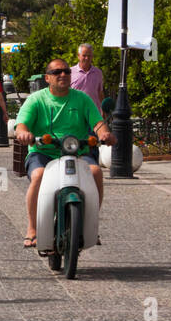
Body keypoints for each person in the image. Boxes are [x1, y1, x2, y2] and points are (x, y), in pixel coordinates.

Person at [15, 58, 114, 249]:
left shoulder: (82, 98)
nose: (63, 75)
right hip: (43, 152)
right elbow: (22, 124)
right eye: (57, 72)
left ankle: (90, 226)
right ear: (47, 78)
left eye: (67, 71)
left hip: (77, 151)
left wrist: (104, 133)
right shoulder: (36, 99)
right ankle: (32, 228)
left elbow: (97, 122)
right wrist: (23, 133)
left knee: (96, 172)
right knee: (38, 175)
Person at [70, 43, 105, 110]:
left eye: (89, 56)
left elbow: (100, 93)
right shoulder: (70, 72)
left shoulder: (98, 73)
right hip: (75, 111)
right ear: (78, 56)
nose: (87, 58)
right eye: (84, 55)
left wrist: (103, 110)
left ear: (92, 56)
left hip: (93, 112)